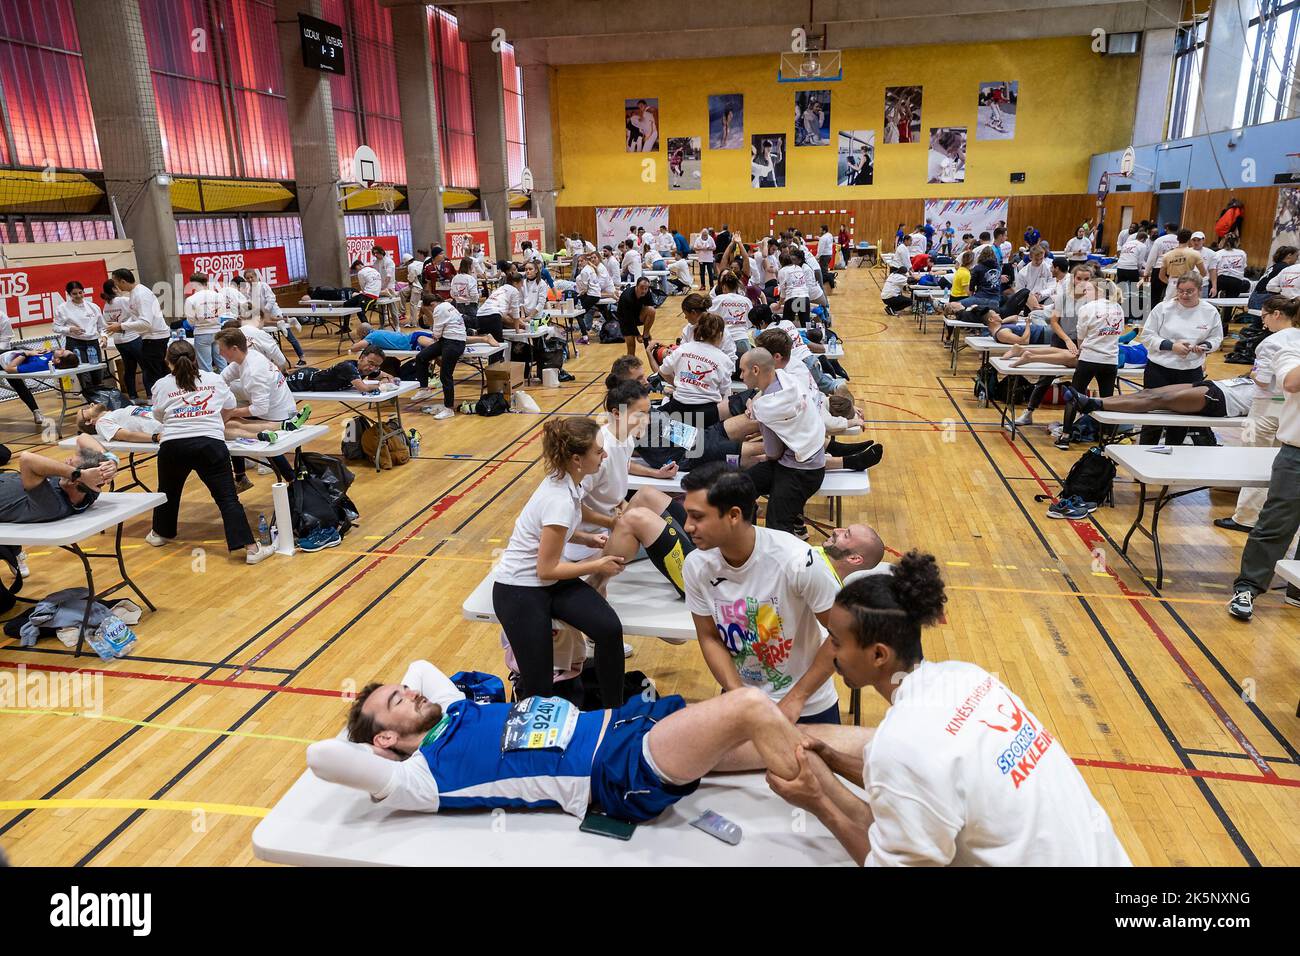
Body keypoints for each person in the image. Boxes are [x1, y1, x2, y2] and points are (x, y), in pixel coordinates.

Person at [767, 553, 1131, 866]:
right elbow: (937, 787)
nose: (829, 653)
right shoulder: (969, 678)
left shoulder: (902, 743)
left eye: (835, 642)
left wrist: (817, 800)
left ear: (878, 654)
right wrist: (834, 760)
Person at [307, 655, 873, 823]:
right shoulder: (417, 777)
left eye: (402, 690)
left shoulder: (451, 714)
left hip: (629, 725)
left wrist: (394, 705)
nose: (409, 690)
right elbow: (324, 756)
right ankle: (857, 824)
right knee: (751, 705)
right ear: (384, 740)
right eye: (394, 700)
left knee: (800, 732)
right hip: (618, 771)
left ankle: (907, 761)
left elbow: (422, 665)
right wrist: (367, 737)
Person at [680, 462, 841, 723]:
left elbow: (842, 634)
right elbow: (709, 636)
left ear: (733, 515)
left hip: (808, 705)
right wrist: (739, 696)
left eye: (698, 517)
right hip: (742, 699)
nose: (687, 526)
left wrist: (796, 699)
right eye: (687, 515)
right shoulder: (696, 565)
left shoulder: (797, 560)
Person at [492, 418, 626, 705]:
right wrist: (597, 565)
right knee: (540, 687)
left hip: (548, 584)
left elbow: (566, 525)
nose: (604, 456)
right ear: (577, 459)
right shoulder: (558, 500)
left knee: (609, 629)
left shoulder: (567, 481)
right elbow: (547, 568)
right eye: (598, 452)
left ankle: (613, 711)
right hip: (519, 590)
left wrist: (588, 540)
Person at [145, 340, 275, 565]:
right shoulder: (214, 379)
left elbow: (158, 415)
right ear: (195, 358)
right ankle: (251, 549)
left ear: (168, 362)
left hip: (173, 446)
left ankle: (159, 533)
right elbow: (229, 406)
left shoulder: (161, 385)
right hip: (210, 445)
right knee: (227, 498)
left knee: (168, 491)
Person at [1227, 326, 1300, 620]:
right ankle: (1248, 587)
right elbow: (1293, 383)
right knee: (1275, 525)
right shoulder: (1289, 347)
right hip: (1296, 453)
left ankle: (1296, 589)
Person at [1217, 297, 1300, 533]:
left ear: (1276, 315)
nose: (1263, 324)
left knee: (1253, 461)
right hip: (1291, 411)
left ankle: (1245, 517)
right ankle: (1269, 518)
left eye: (1263, 317)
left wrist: (1250, 374)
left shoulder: (1272, 342)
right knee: (1280, 465)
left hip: (1264, 410)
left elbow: (1263, 381)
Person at [740, 347, 826, 536]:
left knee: (776, 526)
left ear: (755, 370)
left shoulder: (768, 407)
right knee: (741, 488)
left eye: (743, 371)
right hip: (810, 457)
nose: (740, 376)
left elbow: (773, 453)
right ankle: (748, 537)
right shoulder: (786, 379)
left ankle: (782, 556)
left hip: (801, 471)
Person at [1138, 276, 1224, 445]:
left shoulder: (1210, 311)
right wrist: (1171, 346)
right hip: (1160, 368)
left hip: (1191, 371)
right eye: (1181, 291)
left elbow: (1216, 338)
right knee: (1151, 416)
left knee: (1182, 419)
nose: (1184, 295)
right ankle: (1145, 455)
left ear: (1199, 290)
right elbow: (1147, 336)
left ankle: (1174, 455)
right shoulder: (1163, 308)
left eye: (1190, 291)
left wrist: (1205, 346)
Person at [216, 328, 305, 487]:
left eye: (222, 350)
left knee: (228, 427)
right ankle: (242, 477)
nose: (219, 354)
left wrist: (230, 412)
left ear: (234, 349)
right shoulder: (249, 356)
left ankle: (291, 479)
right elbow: (223, 378)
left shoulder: (253, 372)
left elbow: (260, 409)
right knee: (230, 419)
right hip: (280, 408)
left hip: (277, 414)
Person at [0, 438, 115, 527]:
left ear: (75, 482)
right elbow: (82, 438)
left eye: (69, 466)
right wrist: (110, 461)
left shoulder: (52, 505)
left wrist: (79, 474)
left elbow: (26, 459)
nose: (64, 463)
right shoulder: (89, 492)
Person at [658, 311, 732, 429]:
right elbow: (724, 393)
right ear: (720, 334)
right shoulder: (724, 359)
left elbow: (662, 371)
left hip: (678, 408)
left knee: (648, 421)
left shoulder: (683, 349)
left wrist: (678, 385)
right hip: (707, 413)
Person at [109, 268, 170, 393]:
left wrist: (121, 327)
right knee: (160, 373)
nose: (115, 286)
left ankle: (161, 403)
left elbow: (146, 323)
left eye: (116, 282)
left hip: (155, 338)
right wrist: (121, 324)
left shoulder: (141, 295)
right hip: (151, 337)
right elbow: (136, 317)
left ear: (123, 281)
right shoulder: (133, 293)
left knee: (154, 376)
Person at [0, 348, 79, 426]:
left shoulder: (39, 365)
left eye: (63, 351)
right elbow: (47, 351)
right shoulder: (51, 355)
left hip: (4, 360)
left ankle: (36, 411)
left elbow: (9, 369)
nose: (62, 349)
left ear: (58, 360)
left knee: (19, 385)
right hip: (10, 353)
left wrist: (26, 353)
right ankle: (36, 411)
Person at [245, 267, 305, 367]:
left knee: (290, 338)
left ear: (256, 277)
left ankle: (302, 358)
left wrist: (265, 310)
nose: (250, 280)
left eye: (251, 277)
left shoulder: (264, 285)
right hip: (264, 315)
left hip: (273, 312)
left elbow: (271, 299)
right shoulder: (249, 291)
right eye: (248, 278)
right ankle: (288, 320)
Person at [53, 280, 106, 391]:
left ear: (83, 291)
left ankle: (100, 396)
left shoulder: (93, 307)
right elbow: (56, 327)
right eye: (75, 294)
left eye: (80, 292)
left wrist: (104, 337)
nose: (78, 296)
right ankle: (89, 398)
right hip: (75, 342)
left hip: (92, 342)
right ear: (69, 294)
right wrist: (69, 329)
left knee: (97, 371)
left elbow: (102, 326)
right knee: (82, 373)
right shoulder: (62, 308)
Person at [285, 346, 396, 393]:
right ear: (361, 358)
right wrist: (384, 385)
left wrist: (385, 379)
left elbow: (390, 377)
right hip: (304, 380)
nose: (372, 368)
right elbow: (363, 388)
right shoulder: (348, 367)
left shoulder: (368, 369)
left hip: (316, 375)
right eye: (370, 363)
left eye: (376, 366)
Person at [102, 280, 142, 399]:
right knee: (145, 366)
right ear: (115, 289)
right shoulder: (123, 300)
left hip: (119, 341)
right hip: (132, 338)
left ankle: (133, 397)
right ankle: (151, 396)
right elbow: (136, 315)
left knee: (129, 368)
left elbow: (109, 324)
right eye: (118, 286)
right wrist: (122, 326)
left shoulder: (106, 305)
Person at [183, 273, 225, 374]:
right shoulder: (218, 296)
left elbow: (190, 321)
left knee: (206, 366)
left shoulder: (191, 299)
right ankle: (226, 386)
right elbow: (222, 314)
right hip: (218, 331)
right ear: (206, 282)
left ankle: (210, 387)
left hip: (202, 332)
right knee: (222, 362)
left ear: (193, 284)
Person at [1156, 229, 1204, 300]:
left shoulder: (1167, 255)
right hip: (1188, 282)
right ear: (1189, 240)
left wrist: (1170, 282)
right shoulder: (1195, 253)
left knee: (1169, 307)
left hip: (1172, 283)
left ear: (1177, 239)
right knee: (1187, 307)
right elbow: (1203, 273)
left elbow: (1161, 276)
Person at [615, 276, 657, 358]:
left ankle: (646, 335)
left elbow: (650, 308)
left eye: (646, 288)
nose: (644, 291)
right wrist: (637, 334)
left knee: (651, 310)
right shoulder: (627, 297)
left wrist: (647, 331)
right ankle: (630, 366)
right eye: (642, 288)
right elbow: (628, 319)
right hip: (625, 320)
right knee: (631, 345)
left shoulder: (647, 293)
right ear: (636, 286)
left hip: (638, 316)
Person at [1249, 246, 1298, 310]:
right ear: (1289, 255)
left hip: (1253, 298)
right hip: (1262, 301)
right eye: (1296, 256)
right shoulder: (1285, 268)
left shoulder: (1274, 266)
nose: (1297, 259)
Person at [1143, 222, 1181, 303]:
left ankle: (1153, 313)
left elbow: (1152, 257)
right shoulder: (1180, 241)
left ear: (1166, 229)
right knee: (1171, 297)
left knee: (1154, 296)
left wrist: (1146, 272)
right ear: (1177, 230)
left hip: (1159, 269)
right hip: (1175, 270)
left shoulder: (1160, 240)